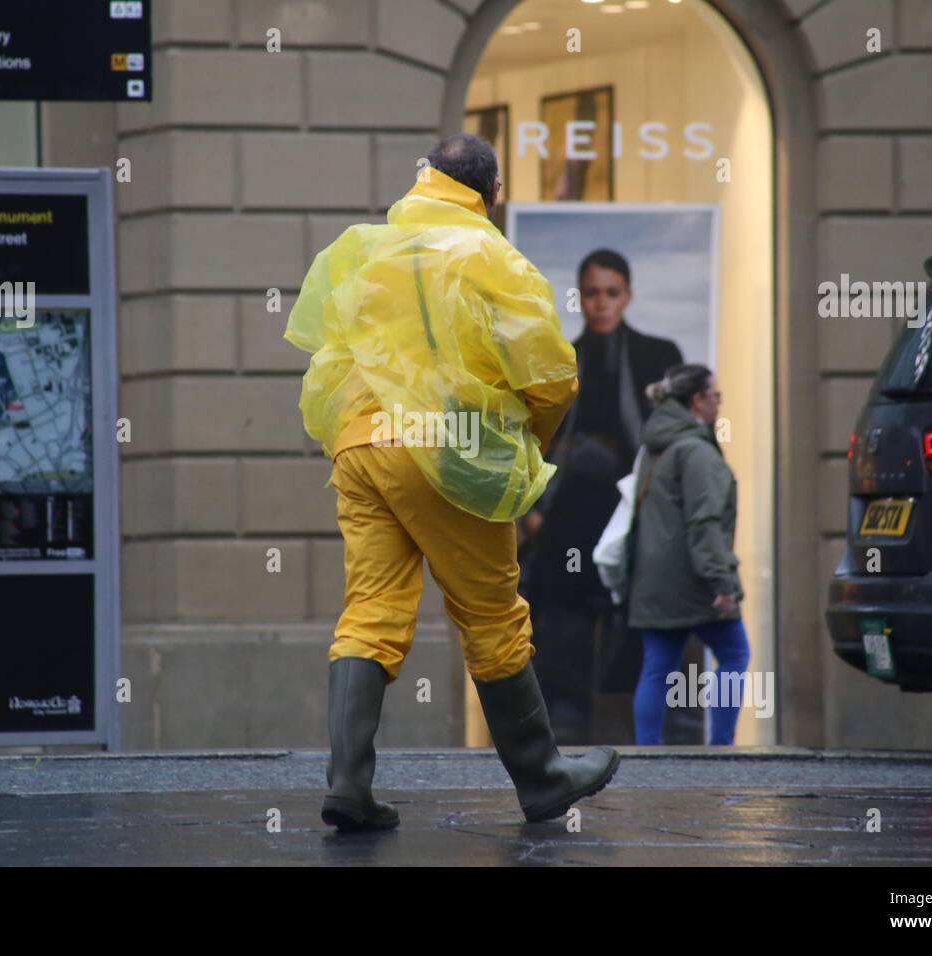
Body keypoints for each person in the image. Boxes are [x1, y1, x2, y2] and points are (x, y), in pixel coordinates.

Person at [286, 133, 620, 831]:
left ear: (424, 181)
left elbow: (333, 351)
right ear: (490, 192)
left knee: (371, 610)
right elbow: (552, 377)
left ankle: (348, 784)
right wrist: (523, 444)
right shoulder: (491, 255)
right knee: (492, 615)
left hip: (359, 446)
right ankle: (543, 777)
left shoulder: (371, 248)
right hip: (447, 449)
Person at [520, 249, 682, 742]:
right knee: (564, 615)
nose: (601, 303)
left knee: (636, 611)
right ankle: (566, 727)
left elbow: (676, 434)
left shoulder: (659, 356)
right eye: (592, 293)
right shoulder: (564, 360)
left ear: (627, 296)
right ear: (581, 297)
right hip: (570, 511)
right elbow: (535, 439)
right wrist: (533, 511)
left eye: (611, 292)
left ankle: (635, 726)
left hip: (634, 507)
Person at [627, 363, 749, 745]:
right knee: (734, 653)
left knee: (657, 668)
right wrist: (723, 581)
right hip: (695, 580)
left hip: (654, 580)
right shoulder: (696, 451)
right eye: (715, 396)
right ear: (697, 400)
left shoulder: (656, 445)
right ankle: (722, 746)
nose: (718, 403)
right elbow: (704, 522)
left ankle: (647, 753)